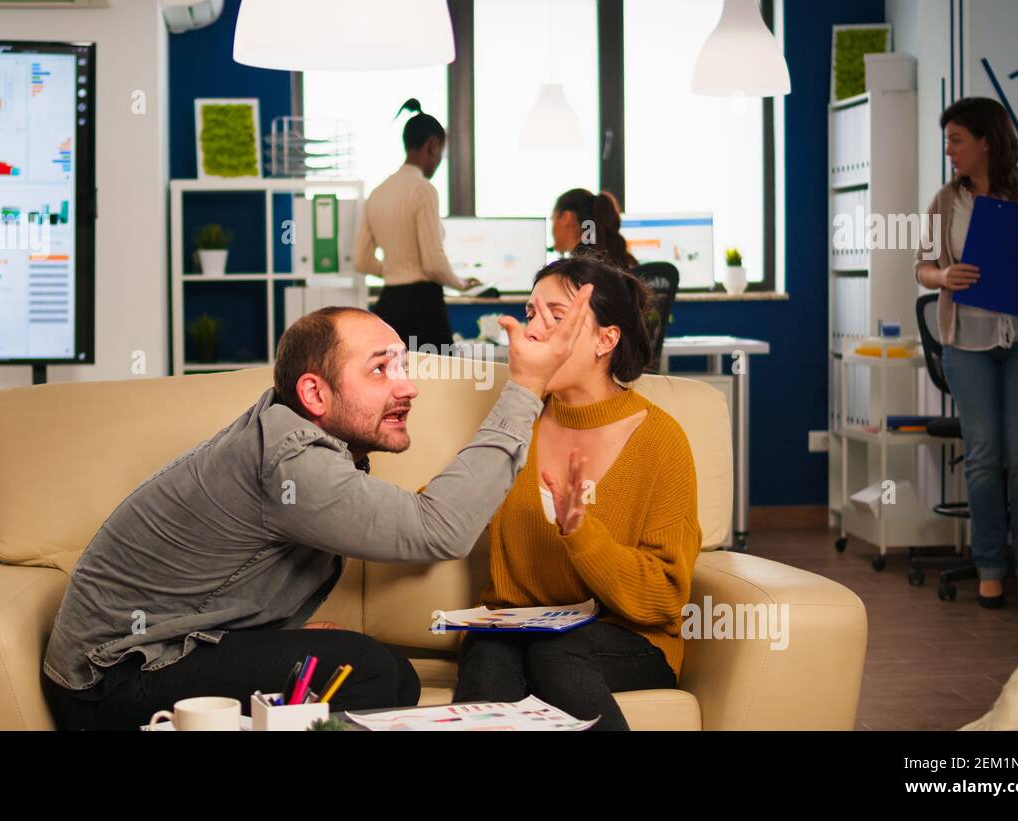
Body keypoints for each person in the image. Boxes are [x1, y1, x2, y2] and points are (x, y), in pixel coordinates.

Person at [40, 285, 595, 730]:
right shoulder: (290, 458)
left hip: (156, 650)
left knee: (380, 673)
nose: (408, 388)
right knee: (375, 675)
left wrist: (278, 633)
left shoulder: (292, 425)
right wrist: (525, 386)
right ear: (314, 394)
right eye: (381, 370)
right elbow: (439, 530)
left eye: (403, 367)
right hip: (111, 678)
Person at [452, 256, 701, 731]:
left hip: (625, 637)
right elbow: (447, 508)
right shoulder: (515, 422)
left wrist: (582, 533)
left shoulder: (660, 440)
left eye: (557, 316)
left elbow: (665, 599)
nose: (535, 330)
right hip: (514, 627)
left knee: (555, 650)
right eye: (530, 315)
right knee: (486, 655)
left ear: (606, 340)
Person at [914, 96, 1018, 610]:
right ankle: (989, 565)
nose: (949, 151)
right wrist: (944, 276)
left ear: (986, 140)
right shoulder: (946, 200)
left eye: (956, 139)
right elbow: (922, 266)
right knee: (982, 458)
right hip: (967, 344)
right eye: (947, 141)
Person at [353, 98, 479, 350]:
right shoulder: (423, 190)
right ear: (432, 146)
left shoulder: (378, 192)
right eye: (440, 154)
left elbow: (361, 261)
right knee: (438, 385)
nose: (438, 162)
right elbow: (433, 263)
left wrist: (394, 268)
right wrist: (462, 284)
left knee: (389, 381)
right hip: (423, 307)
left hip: (388, 306)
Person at [551, 188, 637, 270]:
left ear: (566, 217)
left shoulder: (578, 269)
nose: (552, 229)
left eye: (553, 220)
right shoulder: (613, 259)